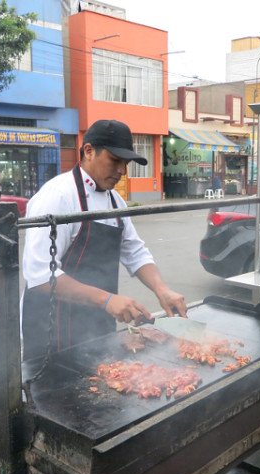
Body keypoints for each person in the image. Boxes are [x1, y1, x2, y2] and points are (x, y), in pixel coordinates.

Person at [21, 119, 187, 361]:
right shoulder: (57, 197)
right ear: (88, 151)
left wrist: (162, 290)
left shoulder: (115, 202)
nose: (121, 171)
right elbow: (41, 277)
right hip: (51, 329)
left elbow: (135, 252)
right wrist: (107, 299)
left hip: (96, 326)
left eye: (126, 163)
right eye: (115, 160)